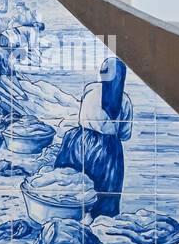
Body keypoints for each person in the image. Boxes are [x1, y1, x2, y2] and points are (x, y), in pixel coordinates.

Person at [53, 56, 133, 219]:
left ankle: (67, 212)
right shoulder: (124, 100)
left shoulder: (89, 88)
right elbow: (125, 134)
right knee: (105, 191)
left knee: (72, 180)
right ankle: (97, 218)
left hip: (78, 139)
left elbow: (81, 116)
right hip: (106, 148)